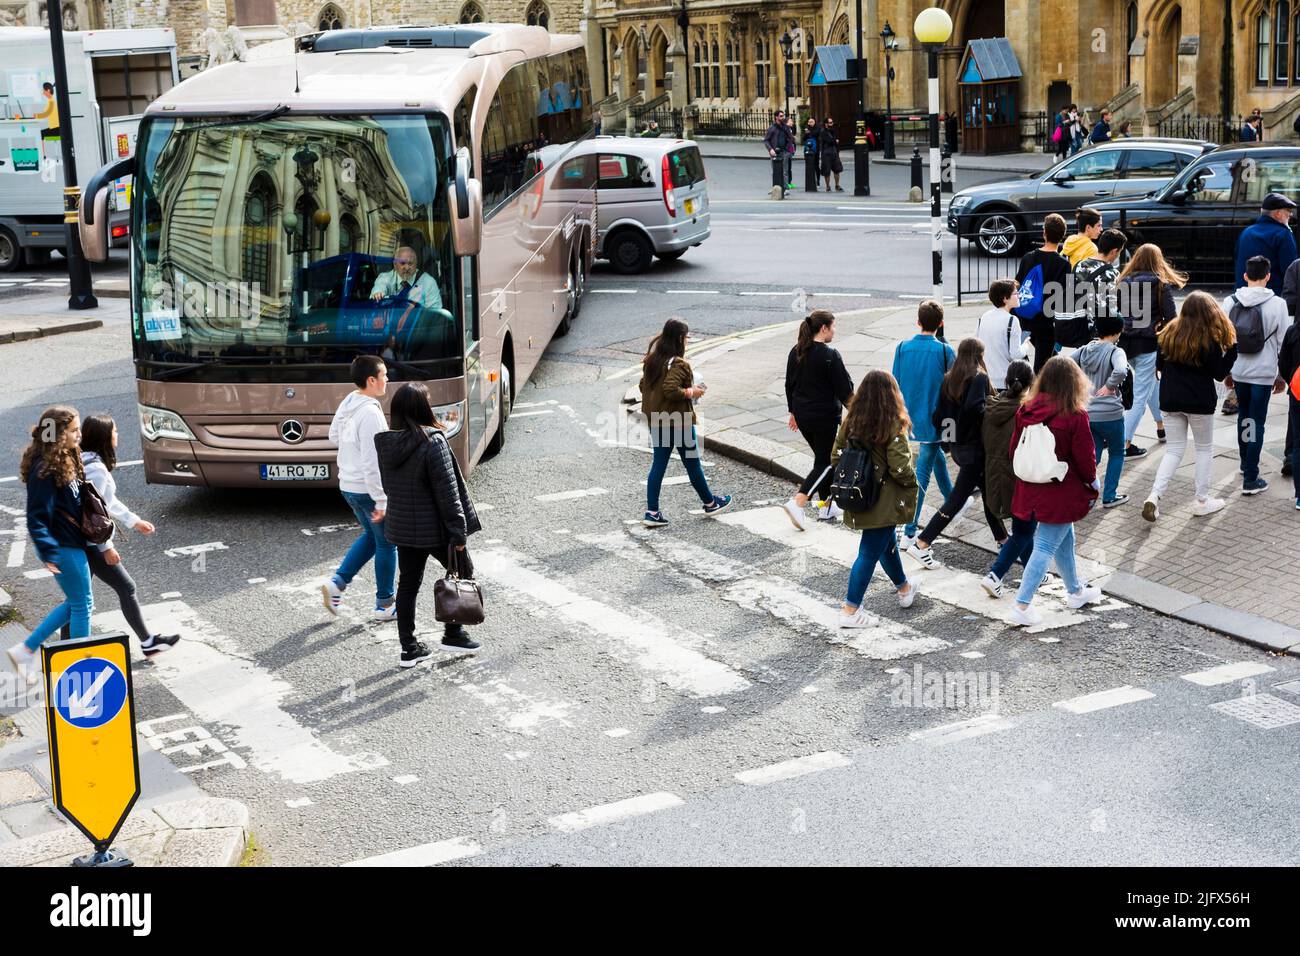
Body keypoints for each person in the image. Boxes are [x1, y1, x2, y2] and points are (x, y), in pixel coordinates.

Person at [374, 382, 482, 667]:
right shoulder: (432, 441)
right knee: (461, 570)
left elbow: (389, 487)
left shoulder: (387, 444)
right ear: (422, 408)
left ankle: (409, 648)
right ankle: (453, 633)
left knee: (408, 585)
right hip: (435, 529)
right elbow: (448, 493)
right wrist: (458, 533)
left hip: (402, 528)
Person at [1006, 357, 1104, 627]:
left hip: (1030, 485)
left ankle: (1075, 591)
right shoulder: (1075, 414)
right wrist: (1093, 483)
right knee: (1046, 545)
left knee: (1064, 537)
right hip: (1061, 489)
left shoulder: (1025, 410)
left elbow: (1014, 450)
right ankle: (1022, 604)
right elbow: (1086, 459)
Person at [6, 407, 94, 685]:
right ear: (57, 434)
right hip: (62, 546)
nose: (79, 434)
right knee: (83, 605)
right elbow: (36, 515)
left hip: (69, 542)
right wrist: (48, 550)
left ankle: (26, 649)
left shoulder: (60, 458)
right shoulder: (44, 469)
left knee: (76, 602)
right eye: (74, 430)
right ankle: (82, 668)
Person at [79, 415, 180, 653]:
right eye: (114, 431)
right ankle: (148, 642)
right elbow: (96, 512)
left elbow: (106, 502)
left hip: (82, 542)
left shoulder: (84, 461)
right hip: (91, 544)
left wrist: (134, 521)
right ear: (105, 437)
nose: (117, 435)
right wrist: (107, 547)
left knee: (77, 600)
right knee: (125, 588)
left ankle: (63, 647)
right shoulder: (96, 469)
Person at [830, 370, 921, 627]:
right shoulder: (892, 423)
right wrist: (912, 484)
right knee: (869, 552)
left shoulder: (851, 422)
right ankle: (850, 610)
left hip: (858, 495)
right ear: (891, 395)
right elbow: (900, 467)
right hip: (883, 499)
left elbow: (836, 457)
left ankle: (904, 589)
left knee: (885, 541)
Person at [907, 338, 1007, 567]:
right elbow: (975, 407)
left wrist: (952, 437)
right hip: (975, 450)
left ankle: (1002, 540)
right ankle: (922, 542)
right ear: (978, 355)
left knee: (988, 494)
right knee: (956, 500)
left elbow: (939, 415)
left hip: (958, 447)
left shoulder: (949, 379)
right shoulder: (979, 377)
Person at [1142, 291, 1238, 521]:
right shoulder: (1208, 340)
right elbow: (1219, 373)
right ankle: (1202, 500)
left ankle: (1154, 496)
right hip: (1198, 401)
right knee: (1204, 449)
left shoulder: (1168, 334)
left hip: (1170, 398)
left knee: (1174, 450)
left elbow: (1159, 366)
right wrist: (1232, 350)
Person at [321, 355, 397, 620]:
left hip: (348, 486)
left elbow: (333, 436)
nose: (387, 379)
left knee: (371, 537)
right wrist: (382, 500)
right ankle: (385, 605)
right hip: (366, 490)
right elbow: (372, 461)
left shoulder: (349, 402)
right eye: (384, 375)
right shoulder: (370, 414)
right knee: (388, 543)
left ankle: (337, 584)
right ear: (372, 380)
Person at [639, 318, 733, 526]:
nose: (687, 341)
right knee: (692, 464)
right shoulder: (678, 363)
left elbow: (642, 386)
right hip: (678, 422)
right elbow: (670, 390)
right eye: (687, 338)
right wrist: (693, 392)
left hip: (657, 421)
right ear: (680, 338)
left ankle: (652, 512)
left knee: (659, 465)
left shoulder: (652, 360)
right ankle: (710, 503)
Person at [892, 300, 957, 552]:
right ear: (940, 324)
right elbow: (954, 389)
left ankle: (953, 502)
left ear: (917, 322)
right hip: (934, 421)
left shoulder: (901, 348)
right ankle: (910, 531)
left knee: (934, 457)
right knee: (921, 475)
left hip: (907, 418)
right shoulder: (946, 351)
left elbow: (894, 385)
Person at [1224, 255, 1290, 496]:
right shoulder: (1278, 305)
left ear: (1245, 276)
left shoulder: (1230, 303)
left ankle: (1245, 463)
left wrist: (1228, 371)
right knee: (1256, 421)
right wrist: (1281, 376)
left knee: (1245, 418)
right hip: (1263, 374)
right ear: (1268, 276)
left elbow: (1224, 341)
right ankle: (1251, 477)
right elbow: (1283, 343)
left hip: (1239, 371)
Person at [783, 310, 854, 530]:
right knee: (827, 462)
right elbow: (845, 391)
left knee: (822, 459)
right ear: (823, 328)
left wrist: (793, 412)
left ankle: (827, 505)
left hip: (803, 417)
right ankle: (799, 502)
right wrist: (859, 414)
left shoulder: (796, 351)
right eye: (833, 326)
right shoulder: (830, 355)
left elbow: (789, 385)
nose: (834, 331)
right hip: (824, 418)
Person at [1117, 243, 1183, 458]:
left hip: (1125, 344)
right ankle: (1124, 444)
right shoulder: (1160, 285)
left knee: (1152, 385)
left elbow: (1117, 312)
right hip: (1147, 344)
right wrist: (1160, 326)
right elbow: (1173, 319)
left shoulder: (1123, 281)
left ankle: (1161, 425)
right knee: (1139, 397)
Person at [980, 361, 1036, 598]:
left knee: (1023, 529)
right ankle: (995, 575)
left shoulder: (991, 408)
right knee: (1024, 530)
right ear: (1031, 384)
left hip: (994, 474)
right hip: (1020, 478)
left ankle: (1035, 570)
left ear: (1006, 381)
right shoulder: (1027, 413)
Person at [1071, 313, 1131, 507]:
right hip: (1110, 413)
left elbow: (1065, 364)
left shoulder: (1084, 350)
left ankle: (1083, 494)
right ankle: (1109, 496)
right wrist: (1110, 385)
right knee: (1116, 452)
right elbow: (1121, 370)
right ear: (1117, 331)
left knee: (1093, 455)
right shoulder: (1116, 352)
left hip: (1088, 412)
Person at [1014, 213, 1071, 374]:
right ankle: (1037, 395)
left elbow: (1019, 284)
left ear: (1044, 233)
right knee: (1042, 365)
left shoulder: (1028, 258)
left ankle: (1022, 385)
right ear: (1063, 236)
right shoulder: (1063, 265)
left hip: (1025, 318)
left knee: (1017, 354)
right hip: (1047, 321)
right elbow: (1063, 295)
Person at [975, 278, 1025, 390]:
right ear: (1005, 298)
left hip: (986, 379)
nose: (1019, 295)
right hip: (1005, 380)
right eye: (1015, 293)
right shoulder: (1012, 320)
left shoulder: (983, 317)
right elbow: (1015, 354)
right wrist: (1025, 347)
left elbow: (977, 345)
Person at [370, 245, 441, 310]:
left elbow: (435, 312)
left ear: (416, 264)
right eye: (402, 263)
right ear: (395, 264)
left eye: (410, 263)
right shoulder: (385, 277)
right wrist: (378, 294)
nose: (407, 268)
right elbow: (379, 288)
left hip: (417, 322)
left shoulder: (429, 282)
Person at [1279, 313, 1300, 508]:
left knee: (1298, 444)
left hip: (1297, 391)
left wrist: (1291, 380)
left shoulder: (1293, 330)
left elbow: (1283, 363)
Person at [764, 110, 791, 197]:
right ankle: (775, 188)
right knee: (775, 171)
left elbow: (790, 139)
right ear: (776, 117)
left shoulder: (785, 127)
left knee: (785, 171)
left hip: (784, 151)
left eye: (783, 116)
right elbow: (766, 140)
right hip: (775, 153)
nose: (783, 117)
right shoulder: (772, 128)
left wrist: (788, 149)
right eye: (781, 116)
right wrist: (770, 149)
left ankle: (786, 188)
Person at [819, 116, 844, 192]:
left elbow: (835, 140)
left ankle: (837, 185)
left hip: (834, 152)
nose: (832, 124)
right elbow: (829, 141)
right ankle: (827, 186)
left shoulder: (833, 131)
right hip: (826, 153)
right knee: (827, 171)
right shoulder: (823, 132)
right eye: (830, 122)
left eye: (832, 122)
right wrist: (835, 141)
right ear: (826, 124)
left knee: (837, 170)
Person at [802, 116, 821, 193]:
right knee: (809, 165)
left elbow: (817, 134)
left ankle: (818, 181)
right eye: (809, 122)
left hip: (815, 149)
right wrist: (806, 133)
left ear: (815, 122)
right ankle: (811, 181)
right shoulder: (807, 129)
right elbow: (803, 138)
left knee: (816, 165)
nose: (810, 123)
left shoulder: (817, 128)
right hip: (808, 149)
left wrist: (809, 132)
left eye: (812, 122)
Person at [785, 116, 798, 190]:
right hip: (787, 150)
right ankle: (787, 183)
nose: (792, 122)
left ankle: (789, 182)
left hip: (791, 150)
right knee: (787, 167)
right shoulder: (786, 129)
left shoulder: (790, 129)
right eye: (790, 121)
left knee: (789, 167)